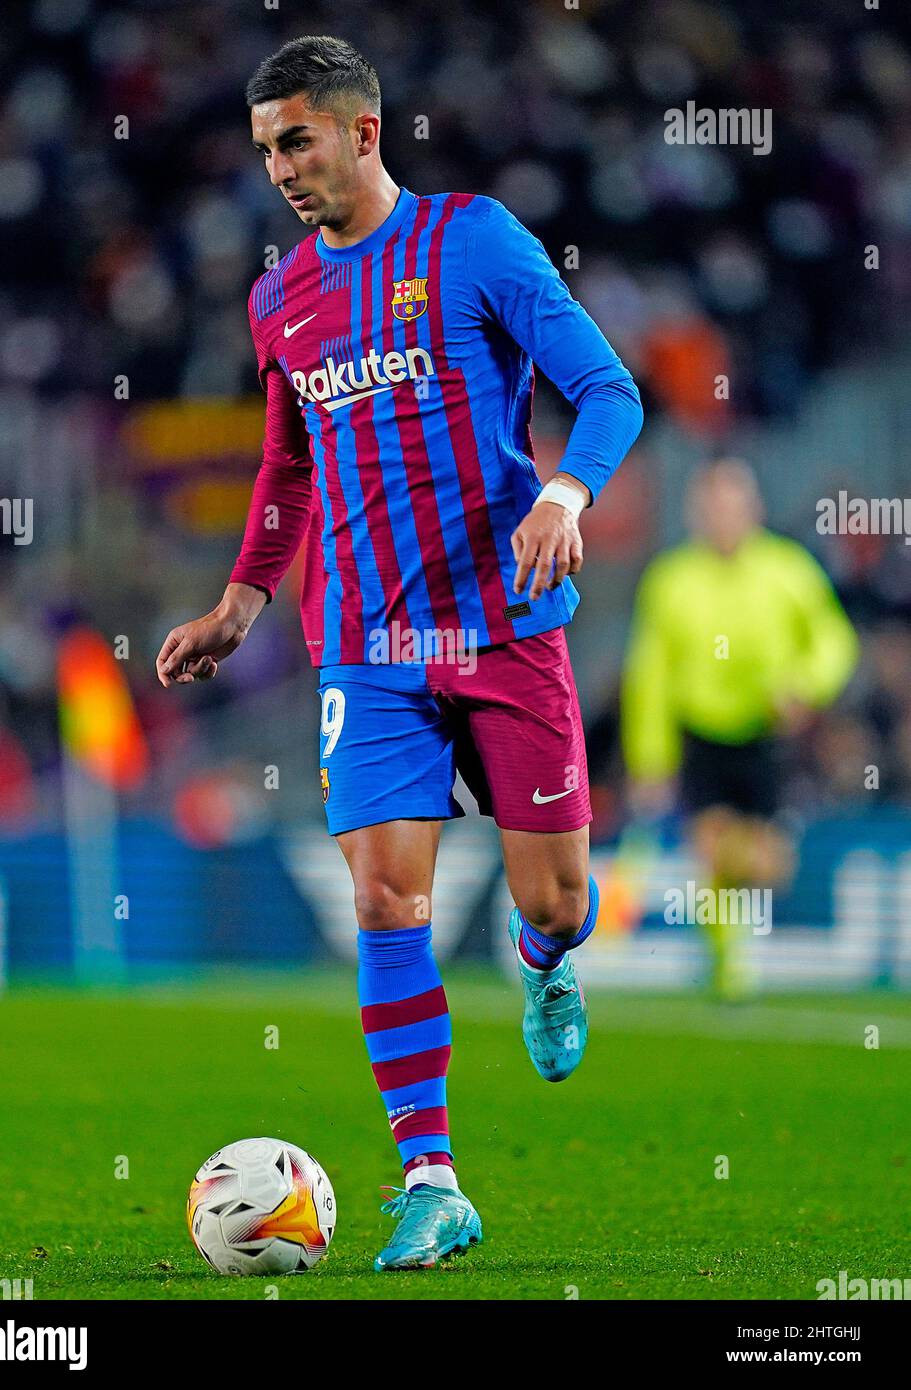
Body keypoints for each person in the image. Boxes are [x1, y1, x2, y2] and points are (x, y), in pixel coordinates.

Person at [157, 35, 643, 1271]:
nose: (279, 169)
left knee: (560, 899)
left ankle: (544, 963)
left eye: (298, 140)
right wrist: (239, 605)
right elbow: (285, 470)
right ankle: (432, 1176)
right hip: (365, 649)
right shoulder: (279, 302)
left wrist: (566, 497)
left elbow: (610, 389)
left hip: (504, 627)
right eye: (267, 147)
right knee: (385, 898)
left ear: (364, 132)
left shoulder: (473, 242)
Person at [621, 458, 859, 1000]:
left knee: (763, 864)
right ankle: (728, 964)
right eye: (713, 506)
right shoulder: (670, 581)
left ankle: (731, 941)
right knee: (714, 849)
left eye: (733, 505)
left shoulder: (788, 570)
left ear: (754, 508)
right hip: (702, 735)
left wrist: (807, 686)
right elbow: (649, 677)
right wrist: (650, 760)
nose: (723, 517)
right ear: (696, 513)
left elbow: (834, 641)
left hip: (766, 736)